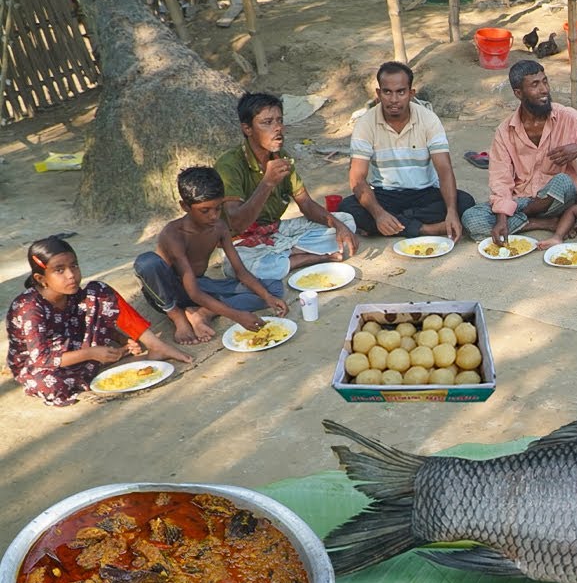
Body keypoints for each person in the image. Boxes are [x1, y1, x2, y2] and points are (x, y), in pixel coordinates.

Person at [7, 237, 192, 406]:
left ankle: (156, 346)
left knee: (99, 290)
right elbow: (42, 358)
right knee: (51, 385)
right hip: (39, 363)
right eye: (59, 270)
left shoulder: (71, 292)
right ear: (41, 278)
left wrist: (119, 338)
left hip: (72, 344)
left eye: (74, 266)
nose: (71, 275)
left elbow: (81, 318)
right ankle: (95, 364)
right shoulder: (29, 308)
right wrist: (90, 353)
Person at [214, 92, 360, 282]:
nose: (278, 128)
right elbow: (237, 223)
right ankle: (310, 258)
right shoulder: (229, 164)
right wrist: (267, 182)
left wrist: (338, 226)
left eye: (279, 120)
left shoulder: (281, 156)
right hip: (241, 240)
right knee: (238, 266)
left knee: (347, 220)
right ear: (247, 128)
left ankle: (283, 254)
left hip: (276, 231)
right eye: (267, 122)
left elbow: (306, 204)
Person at [134, 167, 288, 345]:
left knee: (274, 288)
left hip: (198, 285)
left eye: (218, 208)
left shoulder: (220, 227)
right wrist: (237, 316)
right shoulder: (174, 234)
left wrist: (267, 297)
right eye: (205, 211)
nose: (214, 216)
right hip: (169, 292)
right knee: (147, 262)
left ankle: (202, 313)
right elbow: (193, 292)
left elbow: (241, 271)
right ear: (185, 206)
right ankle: (178, 317)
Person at [461, 60, 577, 245]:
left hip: (558, 200)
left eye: (545, 81)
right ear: (518, 93)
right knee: (471, 219)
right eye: (535, 85)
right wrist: (502, 219)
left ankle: (523, 219)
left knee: (564, 181)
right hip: (522, 201)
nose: (544, 89)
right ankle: (541, 223)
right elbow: (500, 179)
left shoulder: (568, 117)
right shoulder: (505, 131)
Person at [338, 61, 475, 241]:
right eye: (387, 92)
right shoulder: (366, 123)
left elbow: (444, 169)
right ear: (379, 94)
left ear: (411, 93)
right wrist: (379, 214)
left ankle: (393, 226)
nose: (394, 99)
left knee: (464, 203)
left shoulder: (428, 120)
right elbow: (357, 178)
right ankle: (426, 229)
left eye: (401, 92)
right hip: (385, 194)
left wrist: (451, 211)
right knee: (347, 208)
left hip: (424, 193)